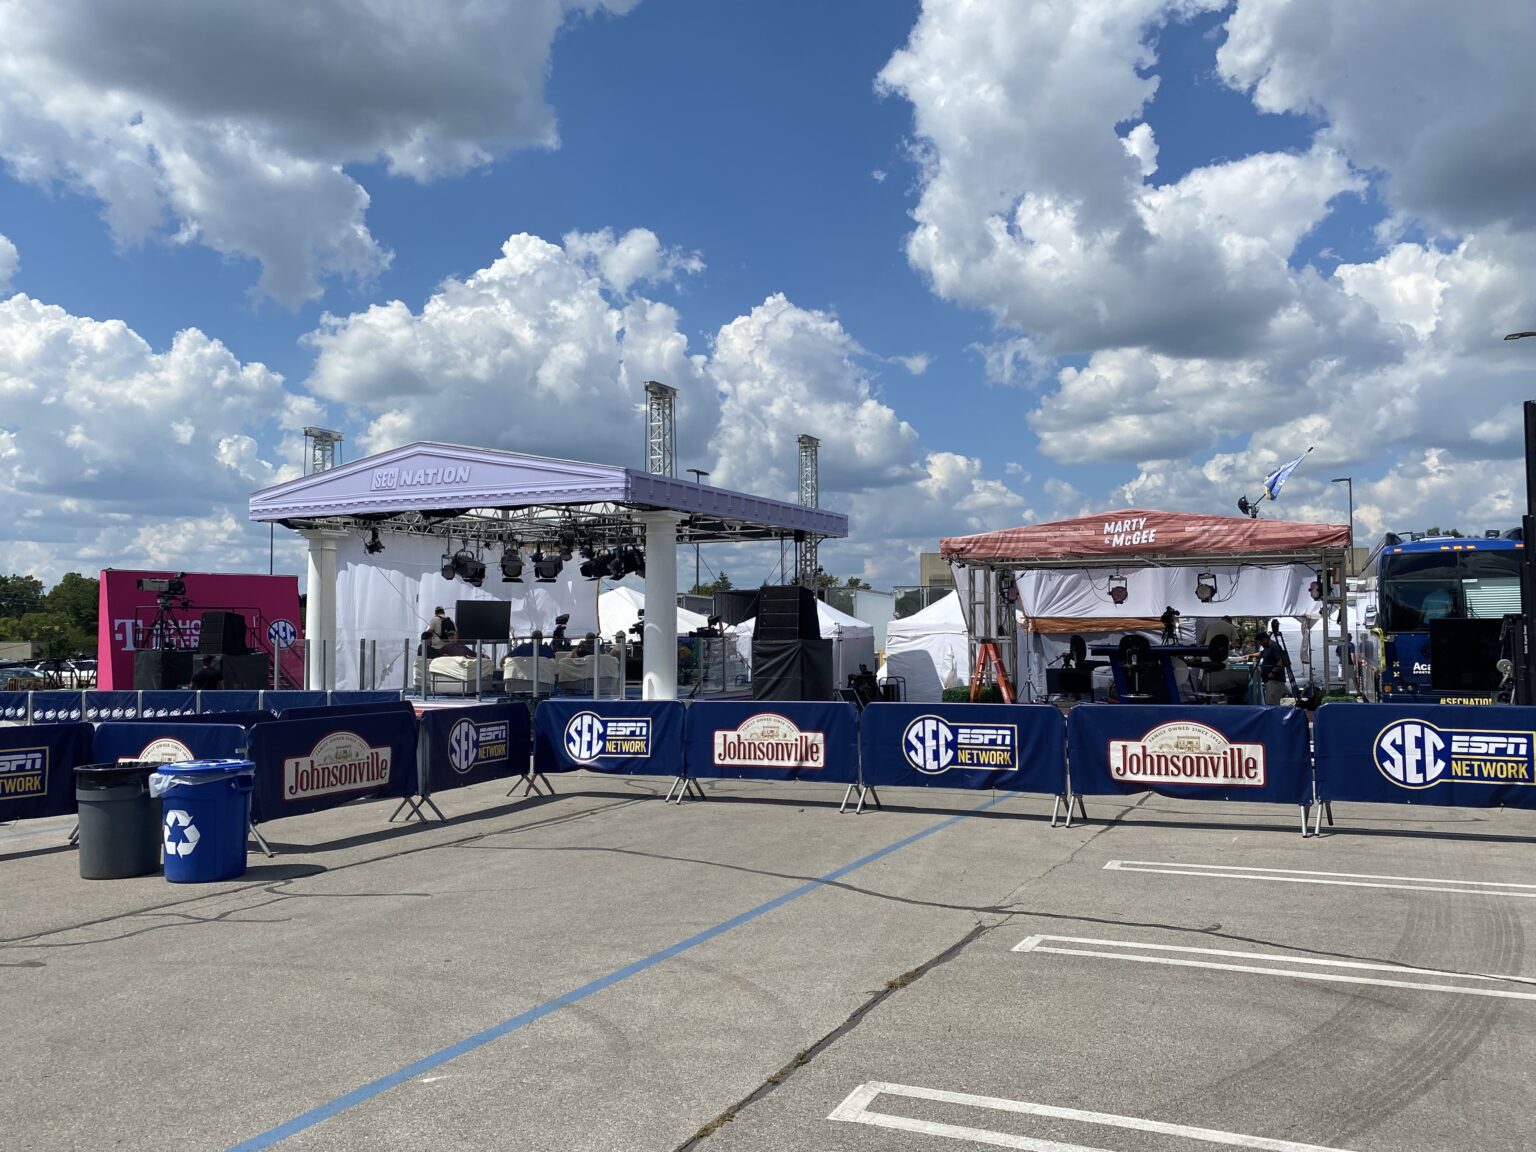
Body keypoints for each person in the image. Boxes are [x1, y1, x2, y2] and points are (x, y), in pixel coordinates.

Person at [1259, 628, 1291, 705]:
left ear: (1265, 639)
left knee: (1272, 701)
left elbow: (1281, 660)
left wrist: (1273, 671)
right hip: (1270, 680)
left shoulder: (1275, 647)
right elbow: (1261, 654)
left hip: (1275, 680)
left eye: (1261, 642)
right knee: (1270, 701)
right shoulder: (1267, 647)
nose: (1260, 644)